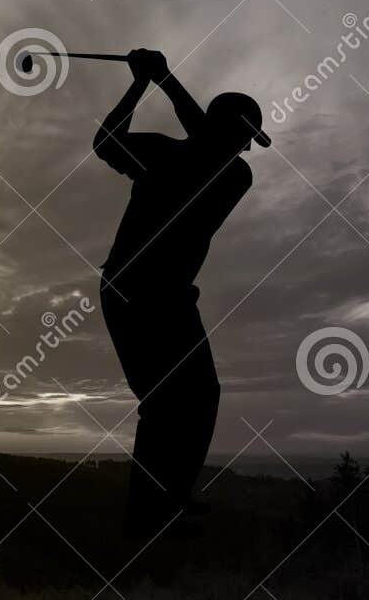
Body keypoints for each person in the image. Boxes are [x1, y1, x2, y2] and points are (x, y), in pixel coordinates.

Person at [93, 48, 268, 538]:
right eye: (245, 137)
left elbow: (204, 146)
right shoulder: (180, 156)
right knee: (164, 403)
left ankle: (166, 503)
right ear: (231, 132)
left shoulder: (230, 173)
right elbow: (107, 143)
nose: (248, 149)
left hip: (165, 296)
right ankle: (149, 518)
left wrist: (157, 79)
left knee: (195, 396)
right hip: (135, 291)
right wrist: (146, 82)